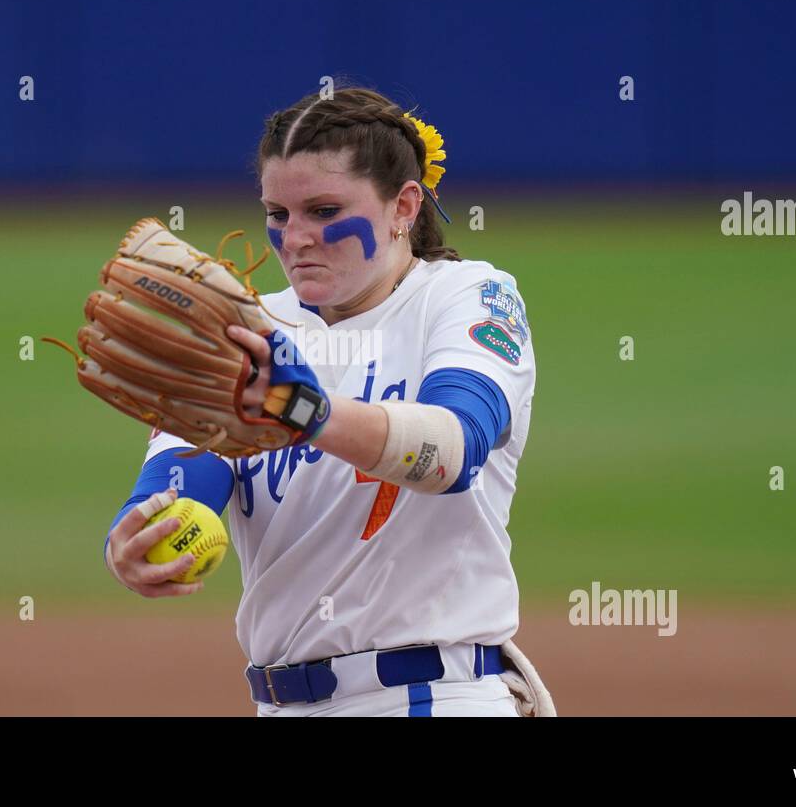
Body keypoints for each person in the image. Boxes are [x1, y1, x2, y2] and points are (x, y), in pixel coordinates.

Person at [105, 87, 536, 716]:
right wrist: (142, 531)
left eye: (324, 209)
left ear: (403, 206)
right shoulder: (250, 326)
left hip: (431, 698)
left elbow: (452, 450)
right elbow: (186, 471)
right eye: (277, 213)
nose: (295, 237)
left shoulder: (465, 298)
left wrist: (301, 408)